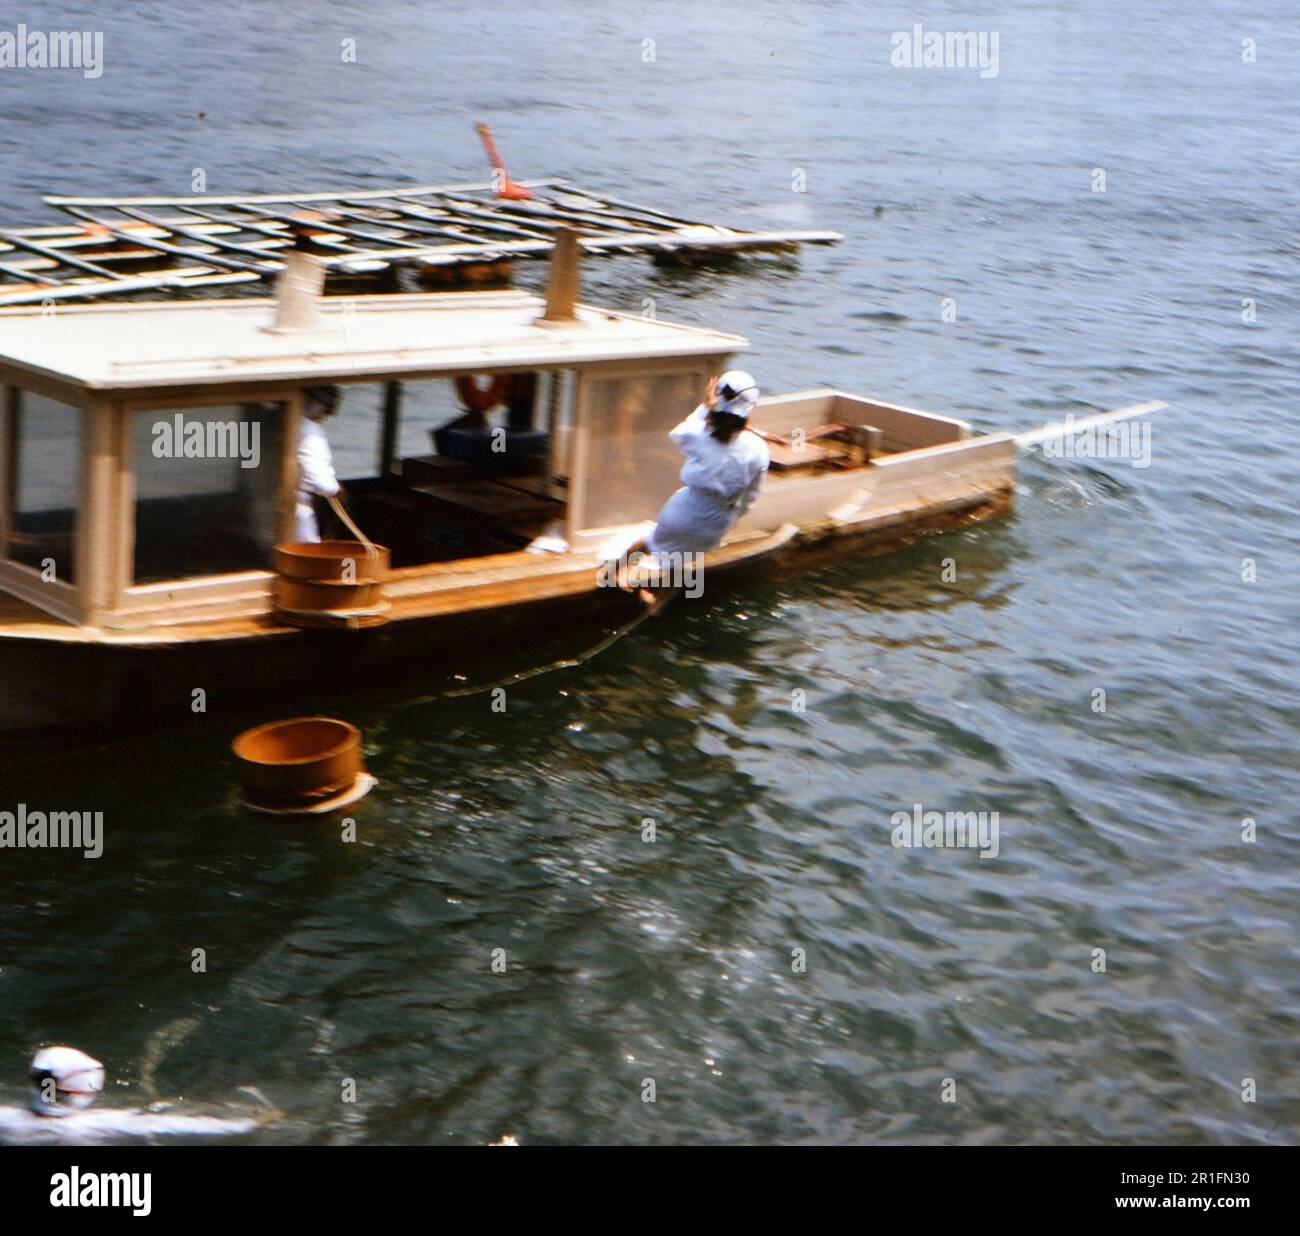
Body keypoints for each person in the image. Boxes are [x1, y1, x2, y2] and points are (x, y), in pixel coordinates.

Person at [619, 371, 769, 598]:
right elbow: (751, 497)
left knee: (650, 543)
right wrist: (736, 518)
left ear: (717, 399)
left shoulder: (701, 435)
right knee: (682, 560)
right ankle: (654, 600)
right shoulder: (759, 449)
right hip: (717, 522)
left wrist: (705, 407)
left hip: (684, 510)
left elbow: (677, 434)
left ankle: (616, 574)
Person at [295, 385, 342, 543]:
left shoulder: (275, 418)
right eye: (327, 409)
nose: (327, 415)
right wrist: (337, 489)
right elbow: (323, 484)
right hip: (297, 514)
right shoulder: (309, 430)